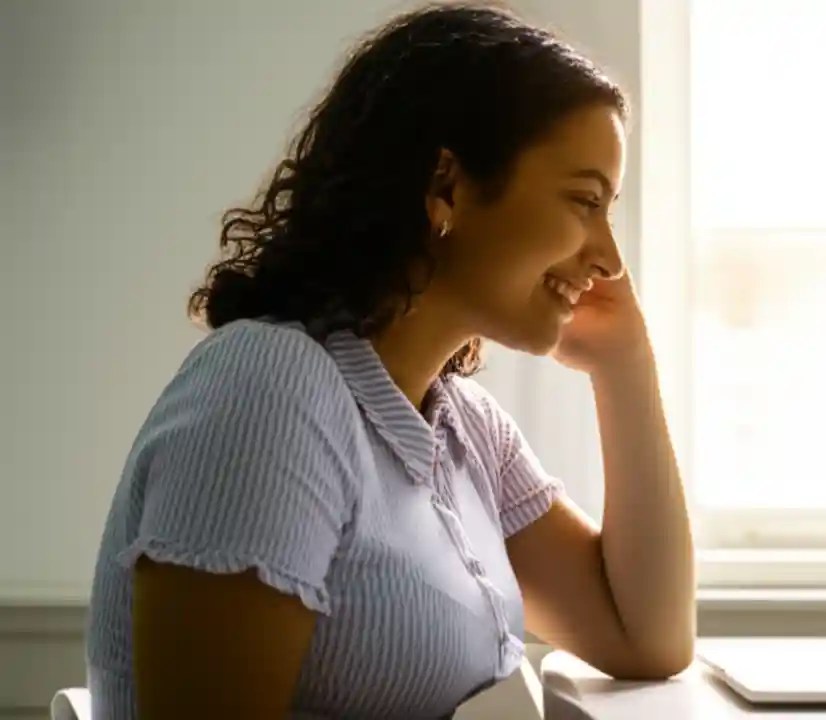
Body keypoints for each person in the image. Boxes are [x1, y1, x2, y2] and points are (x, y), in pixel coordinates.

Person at [85, 4, 695, 717]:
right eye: (583, 201)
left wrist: (626, 366)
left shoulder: (461, 426)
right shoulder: (269, 393)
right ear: (447, 188)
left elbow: (646, 636)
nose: (609, 259)